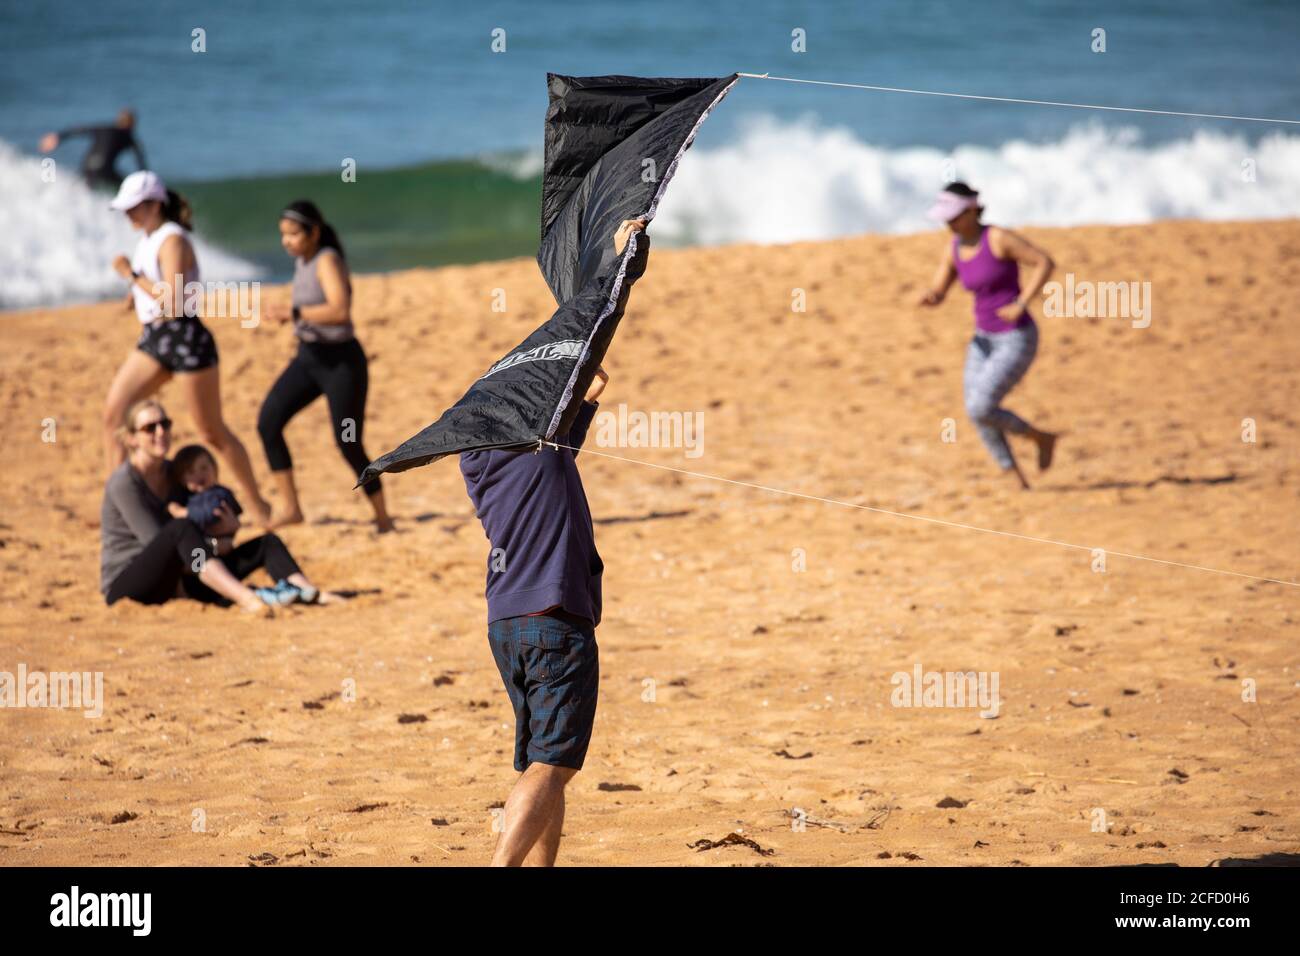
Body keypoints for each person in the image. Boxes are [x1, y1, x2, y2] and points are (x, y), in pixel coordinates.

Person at [459, 218, 646, 867]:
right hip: (553, 620)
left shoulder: (482, 460)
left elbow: (581, 393)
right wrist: (621, 260)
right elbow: (590, 341)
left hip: (506, 621)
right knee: (550, 768)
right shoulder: (537, 445)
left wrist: (580, 393)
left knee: (549, 764)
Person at [101, 169, 271, 524]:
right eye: (126, 209)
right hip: (154, 338)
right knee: (114, 415)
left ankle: (258, 506)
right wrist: (135, 296)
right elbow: (158, 291)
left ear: (154, 204)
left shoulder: (172, 239)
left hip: (185, 337)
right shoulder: (148, 238)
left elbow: (176, 301)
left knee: (212, 431)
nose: (128, 215)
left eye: (133, 207)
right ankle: (117, 508)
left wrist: (132, 276)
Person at [101, 400, 334, 611]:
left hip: (185, 574)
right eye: (149, 428)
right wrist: (215, 544)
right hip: (130, 586)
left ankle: (308, 592)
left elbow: (205, 523)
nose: (160, 432)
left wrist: (230, 528)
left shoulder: (176, 473)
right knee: (180, 527)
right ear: (131, 438)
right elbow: (161, 540)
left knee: (267, 543)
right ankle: (248, 599)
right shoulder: (125, 483)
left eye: (165, 424)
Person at [258, 201, 394, 532]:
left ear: (313, 232)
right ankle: (291, 508)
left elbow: (339, 311)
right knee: (268, 422)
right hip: (308, 359)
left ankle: (383, 517)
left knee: (348, 443)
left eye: (293, 234)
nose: (286, 242)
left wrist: (293, 314)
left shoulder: (326, 259)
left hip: (341, 363)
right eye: (283, 235)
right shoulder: (303, 261)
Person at [917, 182, 1058, 490]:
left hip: (1016, 336)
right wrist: (931, 297)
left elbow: (1044, 262)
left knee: (981, 407)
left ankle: (1038, 437)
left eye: (954, 217)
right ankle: (1014, 477)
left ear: (971, 211)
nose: (948, 224)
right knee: (975, 409)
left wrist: (1022, 302)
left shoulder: (998, 239)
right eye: (945, 218)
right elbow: (940, 289)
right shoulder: (953, 249)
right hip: (982, 339)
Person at [166, 444, 327, 605]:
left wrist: (183, 513)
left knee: (269, 541)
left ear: (215, 469)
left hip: (223, 565)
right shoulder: (184, 499)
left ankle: (303, 587)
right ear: (181, 479)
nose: (199, 475)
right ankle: (253, 595)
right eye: (191, 472)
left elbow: (213, 513)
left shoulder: (217, 494)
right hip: (196, 574)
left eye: (204, 468)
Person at [39, 108, 147, 191]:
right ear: (132, 124)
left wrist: (58, 137)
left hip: (87, 166)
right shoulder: (128, 137)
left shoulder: (103, 128)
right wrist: (145, 181)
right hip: (105, 170)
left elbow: (79, 130)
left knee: (80, 188)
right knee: (127, 186)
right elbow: (140, 162)